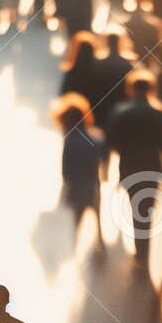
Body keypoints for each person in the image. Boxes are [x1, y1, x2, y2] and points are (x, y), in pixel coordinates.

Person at [104, 70, 162, 263]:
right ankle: (144, 251)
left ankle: (141, 251)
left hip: (128, 166)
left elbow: (110, 142)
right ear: (151, 89)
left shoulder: (120, 112)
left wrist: (105, 168)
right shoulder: (160, 114)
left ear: (131, 89)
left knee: (136, 206)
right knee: (146, 209)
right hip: (152, 166)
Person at [53, 92, 104, 243]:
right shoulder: (95, 138)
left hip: (76, 186)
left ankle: (74, 244)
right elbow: (98, 161)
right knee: (97, 214)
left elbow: (65, 170)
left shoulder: (70, 141)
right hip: (93, 184)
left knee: (77, 218)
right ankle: (100, 241)